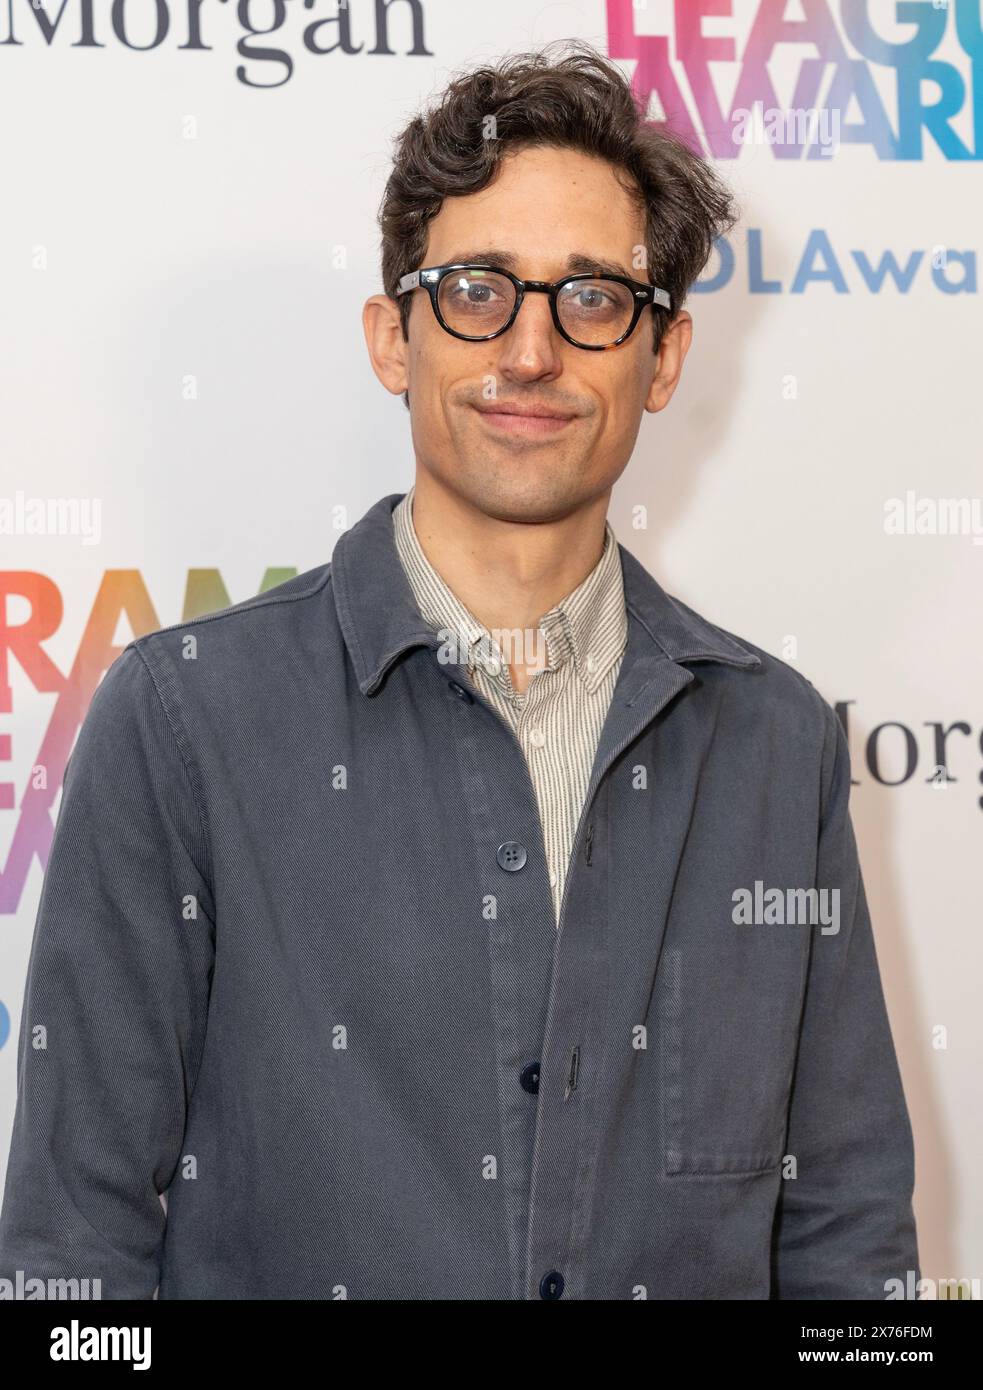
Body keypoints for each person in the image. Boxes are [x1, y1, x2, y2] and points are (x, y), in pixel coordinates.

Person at [0, 40, 918, 1300]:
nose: (531, 351)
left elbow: (848, 1240)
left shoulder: (775, 742)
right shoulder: (183, 722)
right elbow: (69, 1260)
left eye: (592, 297)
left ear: (661, 358)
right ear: (395, 336)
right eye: (478, 289)